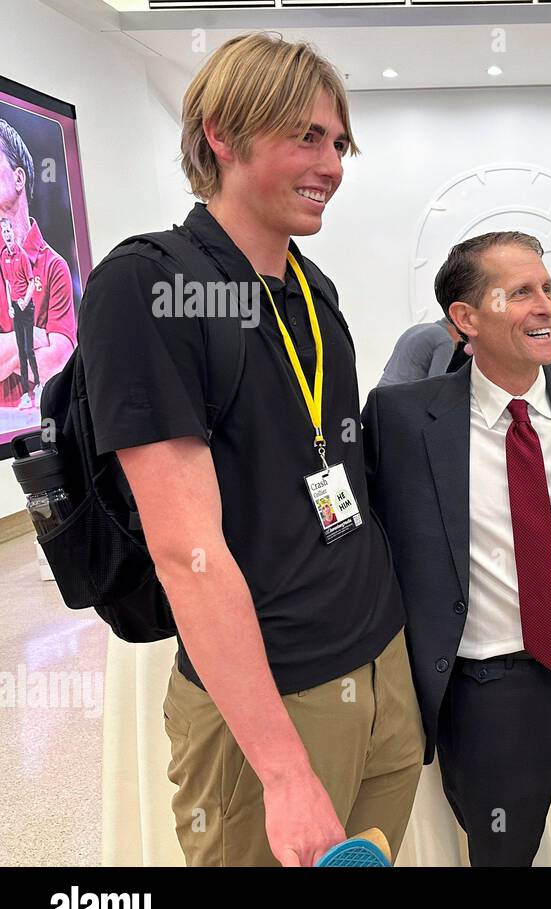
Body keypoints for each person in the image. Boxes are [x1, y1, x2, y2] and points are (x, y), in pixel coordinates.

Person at [77, 33, 423, 867]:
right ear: (223, 134)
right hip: (272, 700)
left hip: (380, 665)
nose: (332, 163)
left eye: (338, 143)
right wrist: (283, 771)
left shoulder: (310, 286)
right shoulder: (149, 284)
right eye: (306, 136)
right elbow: (185, 551)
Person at [362, 231, 551, 866]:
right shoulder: (403, 419)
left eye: (549, 290)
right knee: (502, 854)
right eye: (521, 292)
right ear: (465, 318)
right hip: (484, 689)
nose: (547, 307)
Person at [0, 118, 76, 407]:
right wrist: (35, 335)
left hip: (43, 422)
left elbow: (60, 365)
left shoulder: (55, 265)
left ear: (19, 178)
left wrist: (8, 348)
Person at [0, 216, 37, 407]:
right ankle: (25, 394)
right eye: (3, 232)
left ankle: (37, 385)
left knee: (28, 349)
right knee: (20, 351)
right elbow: (7, 283)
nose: (6, 235)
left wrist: (24, 301)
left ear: (13, 232)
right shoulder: (3, 256)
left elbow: (31, 282)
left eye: (8, 231)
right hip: (15, 307)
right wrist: (9, 306)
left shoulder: (22, 255)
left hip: (27, 307)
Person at [377, 315, 463, 387]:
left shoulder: (416, 328)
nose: (460, 340)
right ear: (456, 327)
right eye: (461, 337)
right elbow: (435, 382)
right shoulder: (446, 340)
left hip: (380, 392)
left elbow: (387, 367)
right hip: (402, 397)